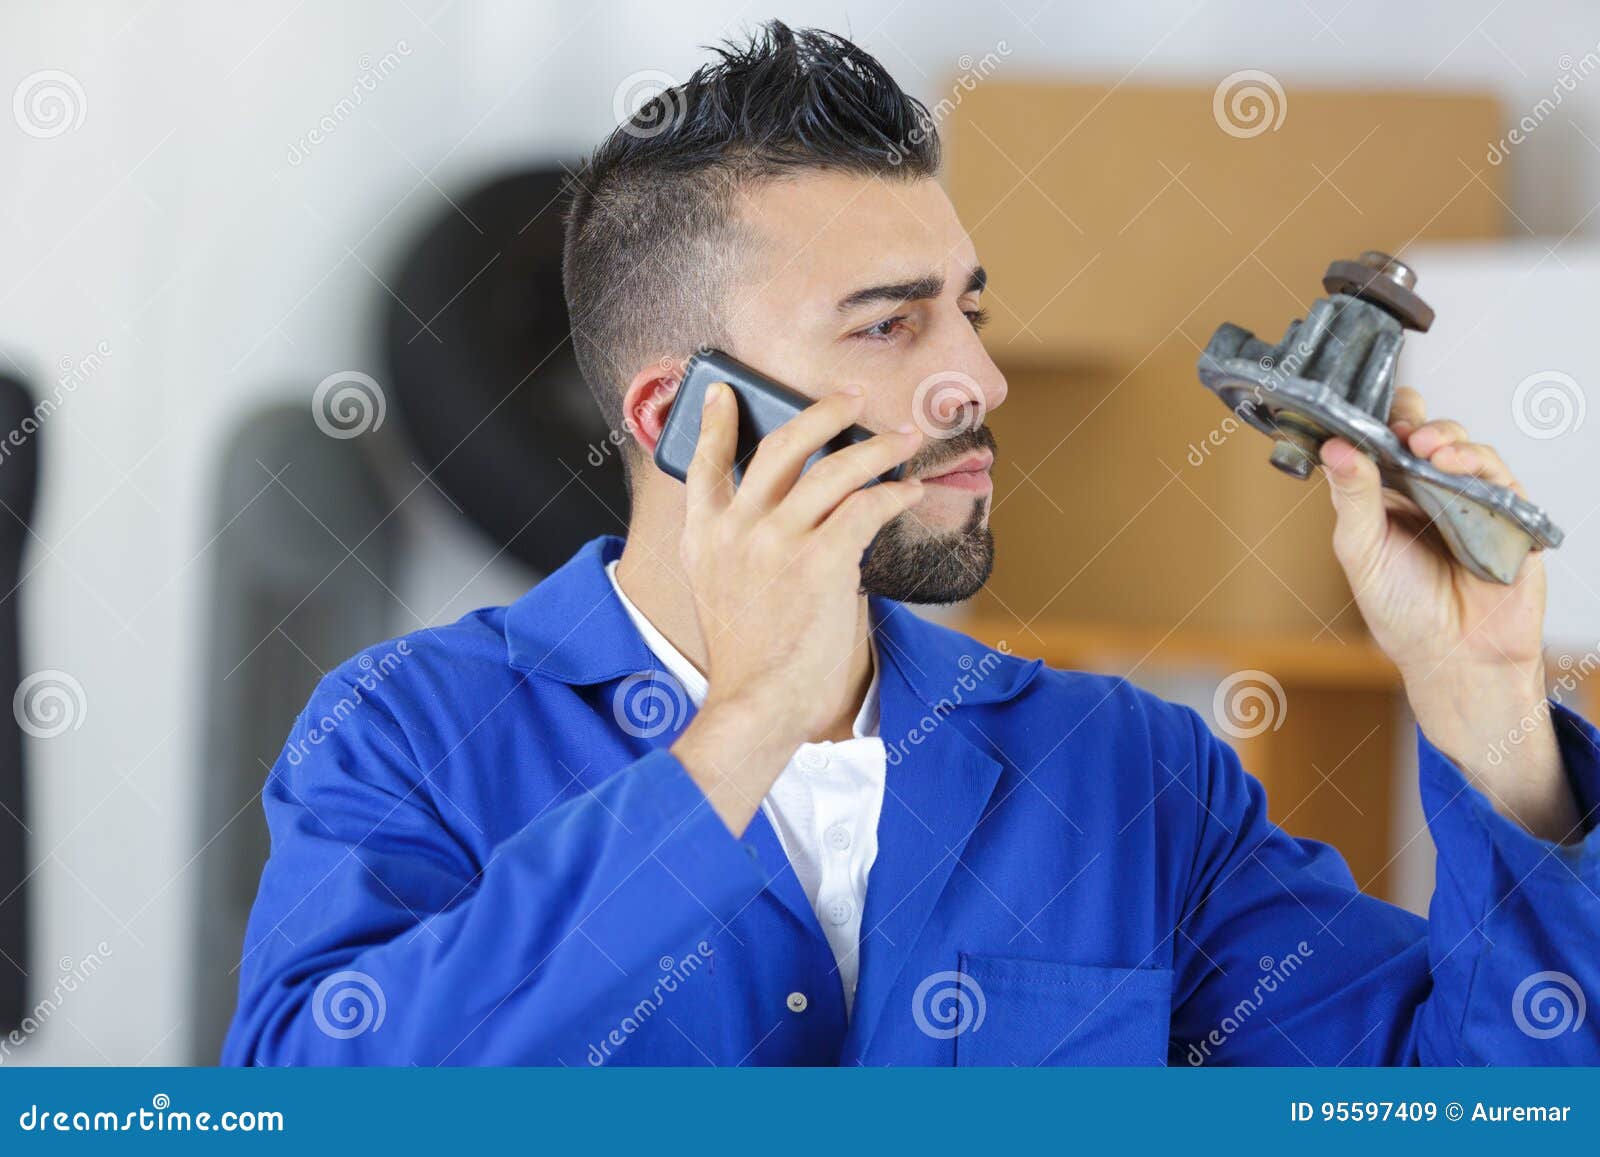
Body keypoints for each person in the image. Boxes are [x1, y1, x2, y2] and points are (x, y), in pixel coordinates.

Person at [223, 22, 1598, 1066]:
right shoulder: (402, 737)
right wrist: (746, 732)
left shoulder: (1130, 777)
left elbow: (1496, 1105)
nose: (980, 384)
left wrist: (1489, 719)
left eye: (970, 311)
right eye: (888, 324)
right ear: (682, 415)